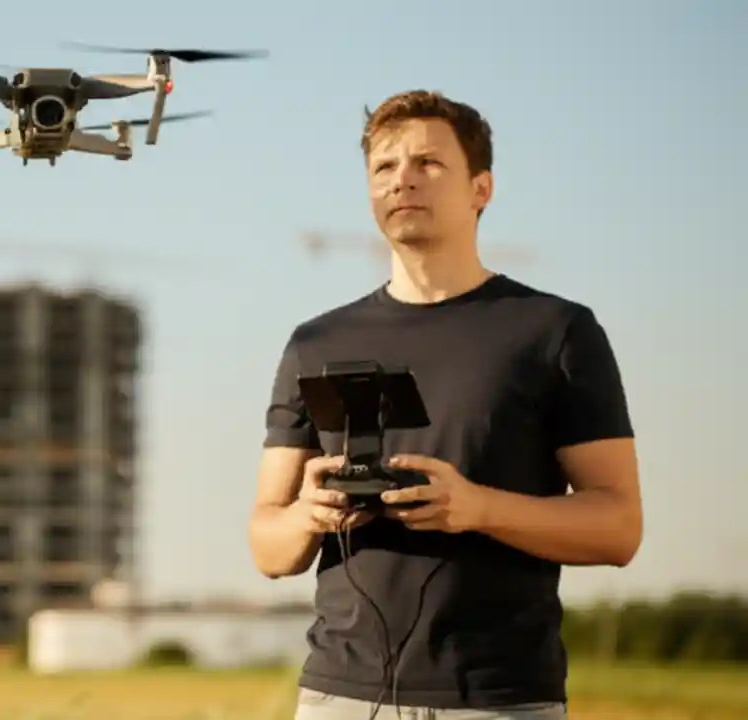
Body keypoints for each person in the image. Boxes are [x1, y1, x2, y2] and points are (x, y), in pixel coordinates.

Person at [247, 89, 643, 719]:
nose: (403, 180)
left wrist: (476, 507)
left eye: (428, 163)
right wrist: (309, 514)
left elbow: (619, 528)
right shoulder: (315, 341)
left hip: (498, 698)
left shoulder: (556, 331)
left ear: (481, 188)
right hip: (340, 698)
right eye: (384, 167)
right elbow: (268, 547)